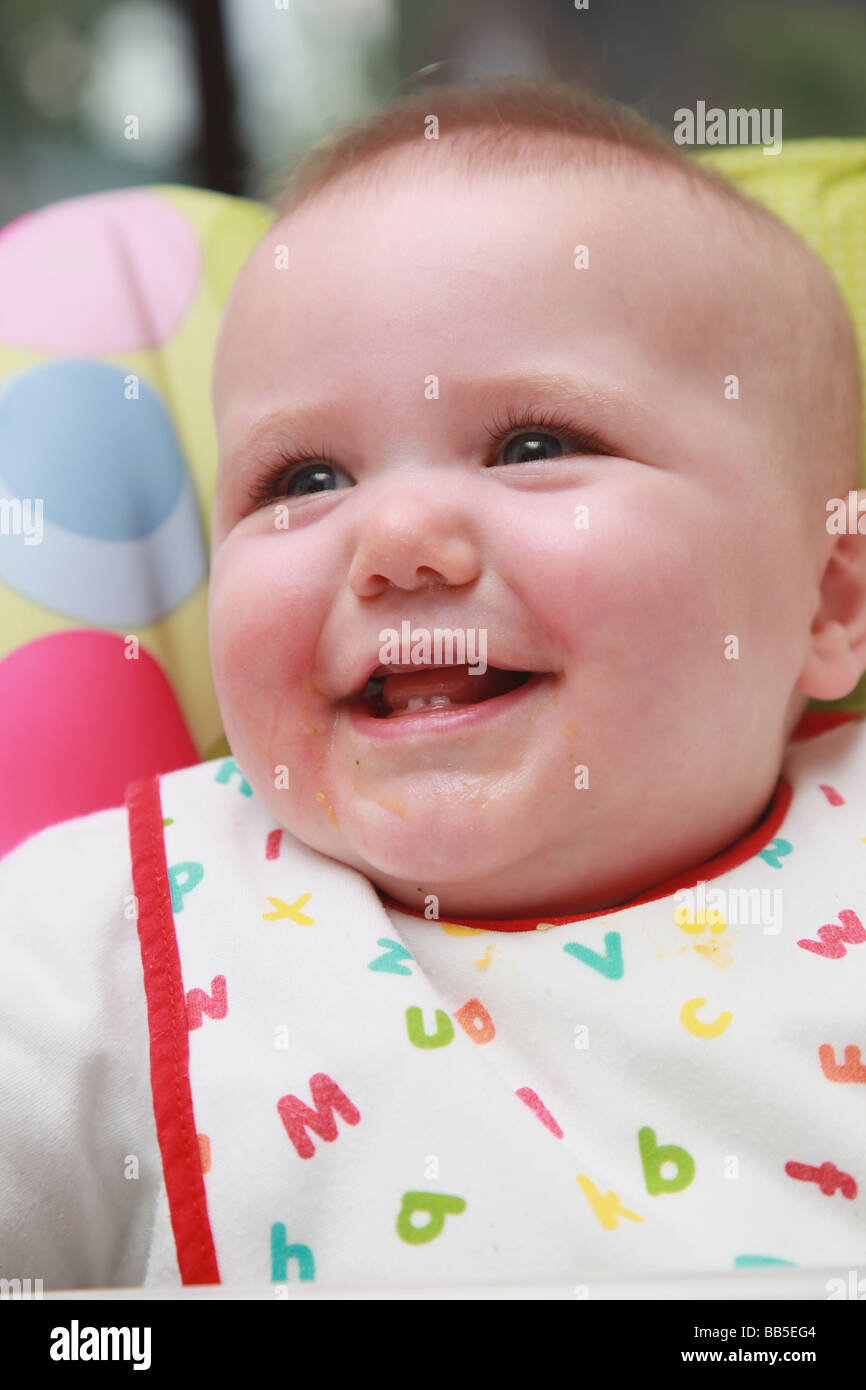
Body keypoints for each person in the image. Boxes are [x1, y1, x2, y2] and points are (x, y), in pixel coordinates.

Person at [2, 78, 865, 1292]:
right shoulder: (104, 931)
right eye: (302, 476)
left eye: (531, 446)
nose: (394, 533)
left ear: (825, 605)